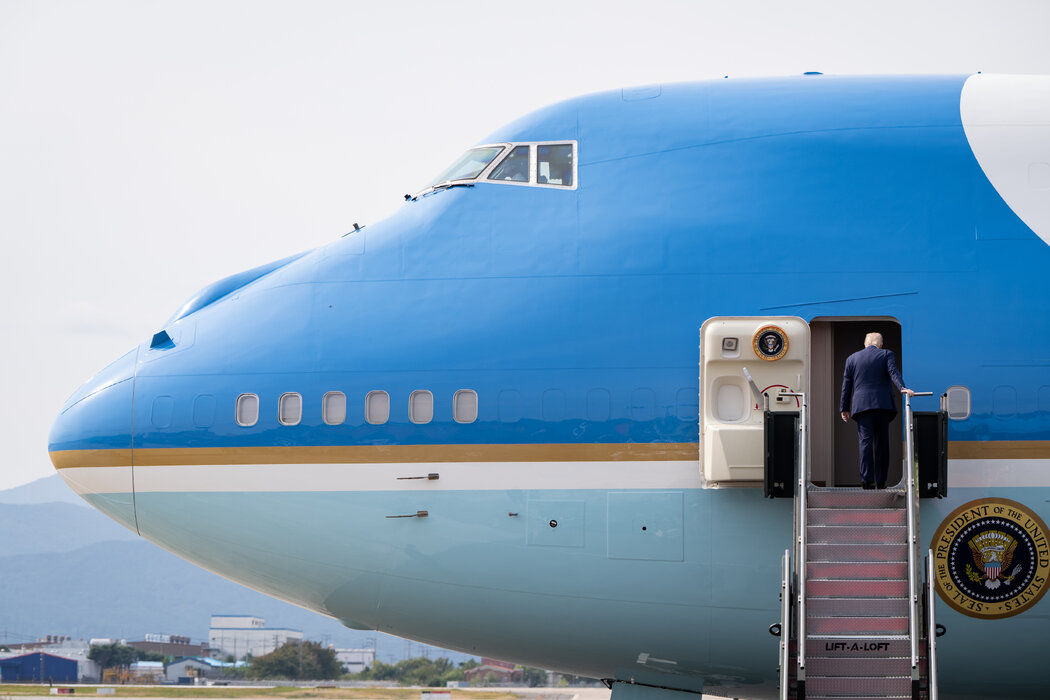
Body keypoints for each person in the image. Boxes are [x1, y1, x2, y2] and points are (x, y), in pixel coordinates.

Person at [839, 332, 915, 489]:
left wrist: (844, 408)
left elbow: (846, 386)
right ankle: (881, 482)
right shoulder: (886, 354)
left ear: (865, 343)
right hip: (882, 405)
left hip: (861, 406)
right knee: (882, 443)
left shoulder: (851, 359)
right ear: (880, 345)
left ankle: (866, 481)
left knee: (865, 443)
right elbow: (893, 372)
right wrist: (902, 388)